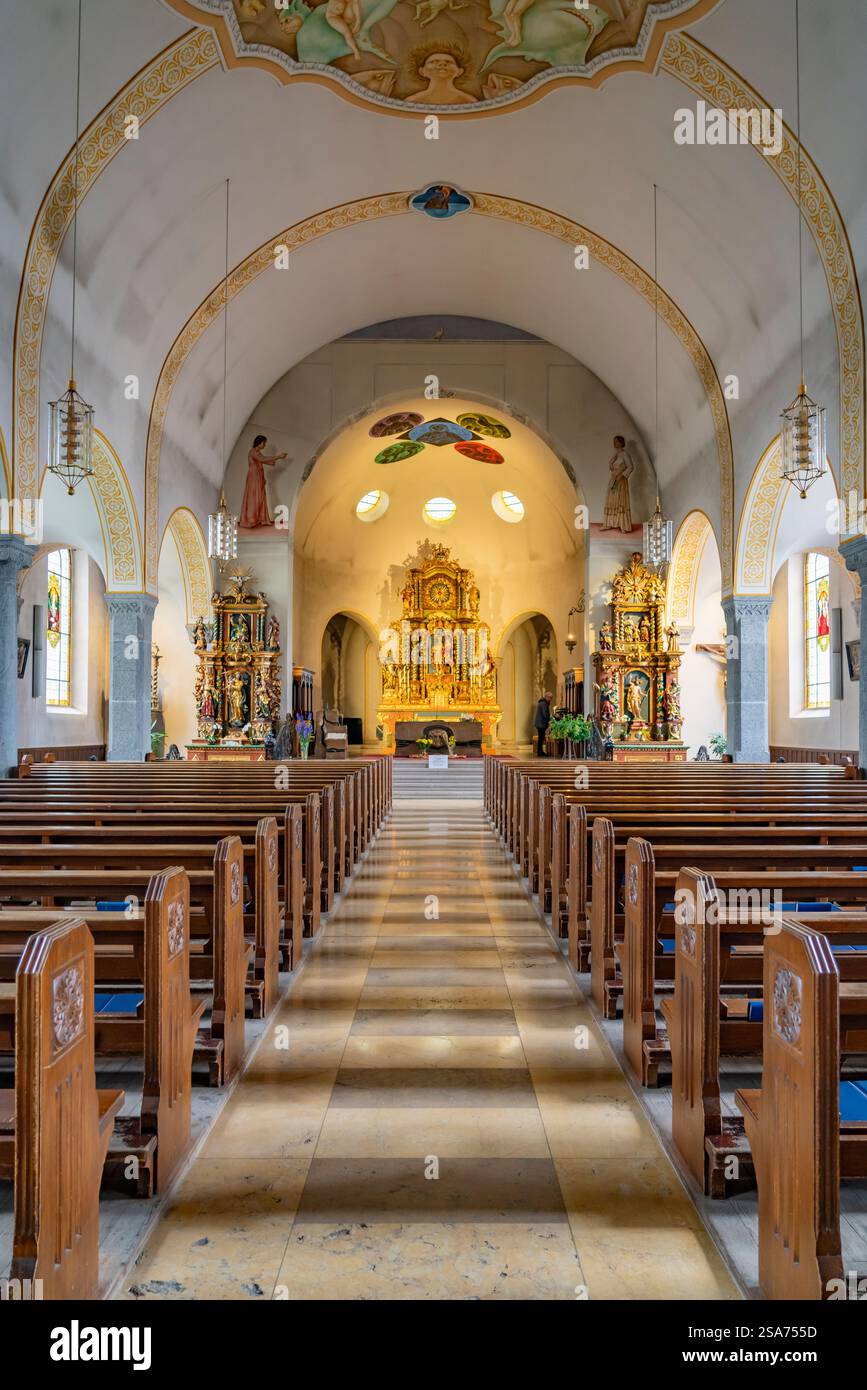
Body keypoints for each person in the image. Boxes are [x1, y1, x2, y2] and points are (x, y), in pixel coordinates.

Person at [240, 435, 287, 529]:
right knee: (254, 497)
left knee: (260, 496)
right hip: (254, 477)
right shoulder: (253, 452)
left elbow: (265, 461)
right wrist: (278, 456)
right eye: (264, 443)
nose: (265, 445)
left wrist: (278, 458)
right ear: (259, 442)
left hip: (258, 476)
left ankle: (260, 519)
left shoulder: (257, 452)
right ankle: (251, 520)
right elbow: (263, 459)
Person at [534, 690, 552, 757]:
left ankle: (540, 751)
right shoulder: (544, 703)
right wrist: (550, 718)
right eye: (550, 698)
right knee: (541, 738)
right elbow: (545, 714)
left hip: (540, 723)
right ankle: (540, 752)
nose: (551, 699)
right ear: (547, 697)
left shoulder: (542, 703)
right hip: (541, 724)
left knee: (541, 738)